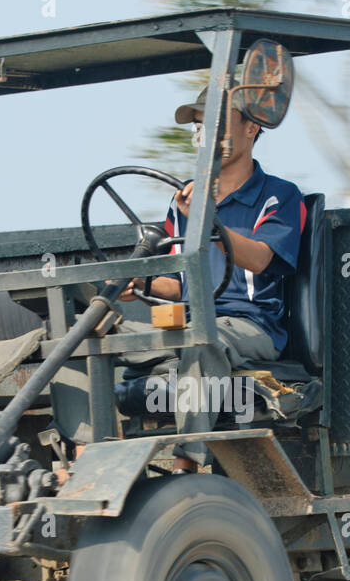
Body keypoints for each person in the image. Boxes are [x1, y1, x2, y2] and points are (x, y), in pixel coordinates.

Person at [117, 88, 306, 470]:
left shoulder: (280, 196)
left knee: (202, 340)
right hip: (194, 318)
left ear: (251, 128)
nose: (205, 135)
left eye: (217, 125)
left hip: (252, 326)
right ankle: (88, 457)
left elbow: (259, 258)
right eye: (201, 126)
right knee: (95, 335)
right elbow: (180, 283)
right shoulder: (183, 198)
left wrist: (207, 221)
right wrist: (139, 287)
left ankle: (188, 465)